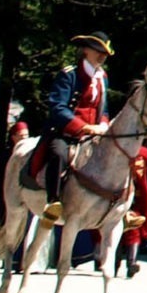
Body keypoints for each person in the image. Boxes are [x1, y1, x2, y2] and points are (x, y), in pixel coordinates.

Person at [44, 30, 114, 222]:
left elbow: (104, 109)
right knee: (58, 153)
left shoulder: (103, 78)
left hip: (95, 134)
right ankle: (53, 201)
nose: (102, 56)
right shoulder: (69, 75)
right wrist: (85, 128)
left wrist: (103, 125)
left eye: (105, 52)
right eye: (98, 50)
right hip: (67, 133)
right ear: (85, 50)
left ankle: (120, 208)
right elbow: (58, 108)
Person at [118, 145, 147, 277]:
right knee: (114, 231)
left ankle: (132, 263)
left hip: (134, 200)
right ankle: (113, 262)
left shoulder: (145, 156)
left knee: (134, 229)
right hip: (116, 198)